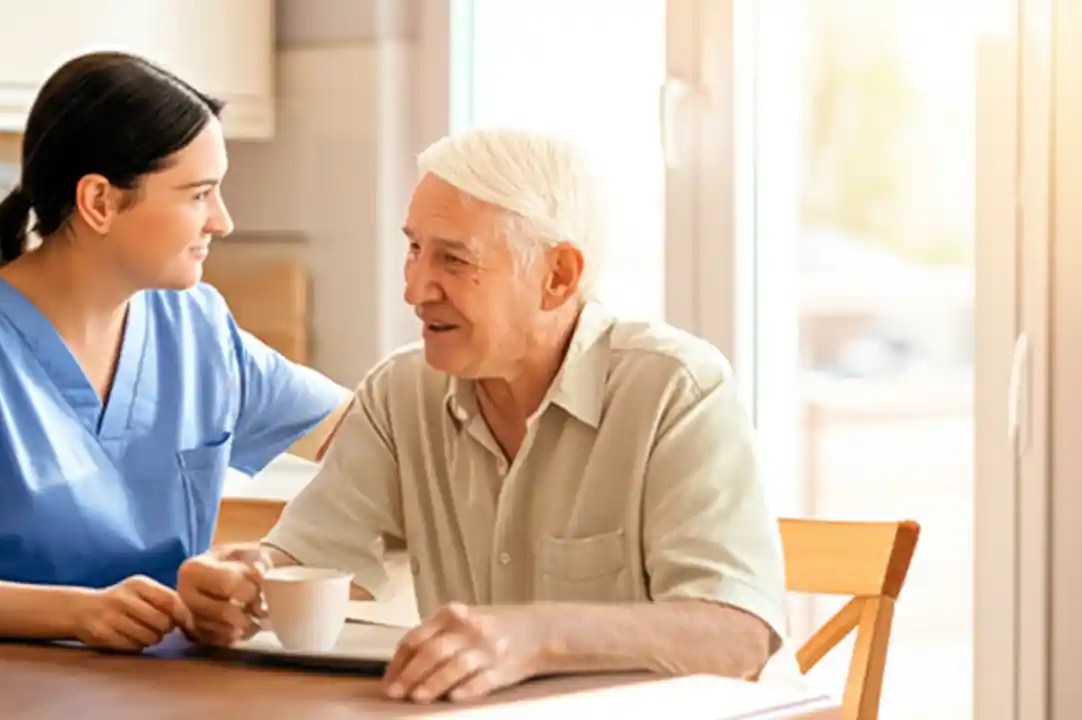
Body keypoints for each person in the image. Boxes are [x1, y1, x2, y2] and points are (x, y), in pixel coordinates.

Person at [178, 128, 787, 702]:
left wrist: (535, 638)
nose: (416, 289)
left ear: (558, 275)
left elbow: (737, 635)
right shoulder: (400, 393)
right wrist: (243, 581)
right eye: (414, 249)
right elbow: (311, 561)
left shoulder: (675, 389)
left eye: (454, 260)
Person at [0, 52, 348, 652]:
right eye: (199, 194)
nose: (223, 221)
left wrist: (268, 558)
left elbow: (371, 436)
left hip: (168, 690)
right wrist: (75, 613)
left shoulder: (198, 328)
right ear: (100, 203)